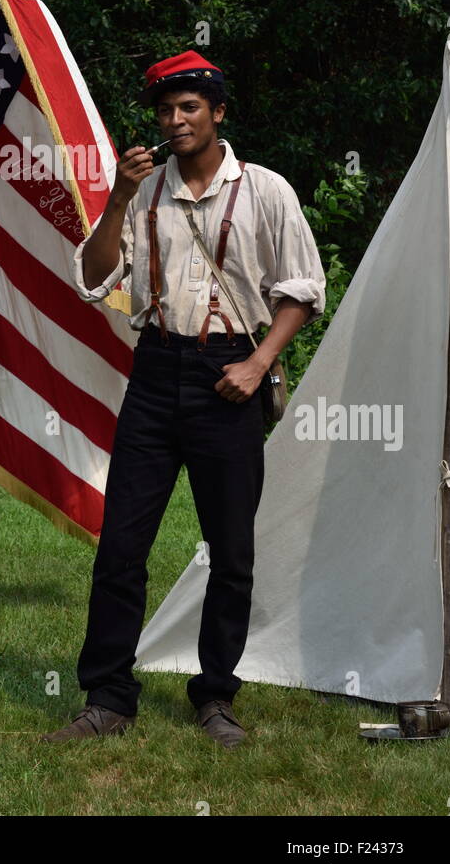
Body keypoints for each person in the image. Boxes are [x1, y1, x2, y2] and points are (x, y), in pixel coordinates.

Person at [41, 49, 326, 748]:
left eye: (189, 108)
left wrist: (259, 364)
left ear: (217, 112)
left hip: (229, 373)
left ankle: (215, 698)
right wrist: (114, 198)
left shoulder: (263, 189)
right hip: (155, 370)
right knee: (120, 548)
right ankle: (107, 698)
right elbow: (94, 276)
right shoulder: (141, 189)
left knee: (229, 552)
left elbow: (301, 289)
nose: (175, 121)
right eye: (166, 110)